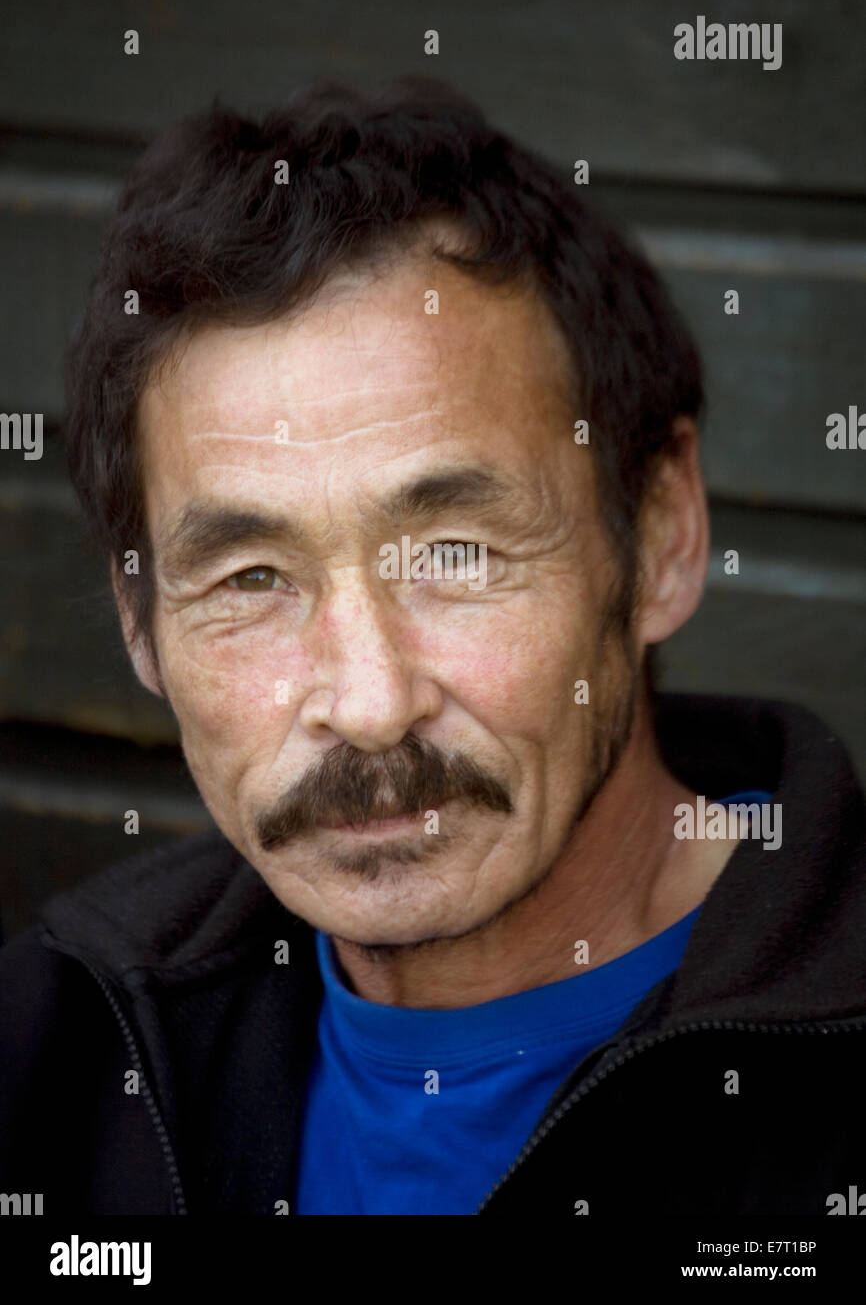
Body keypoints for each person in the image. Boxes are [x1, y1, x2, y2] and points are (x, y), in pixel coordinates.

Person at [1, 79, 863, 1217]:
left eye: (455, 553)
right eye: (251, 578)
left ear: (660, 536)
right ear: (139, 623)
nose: (368, 704)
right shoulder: (52, 1048)